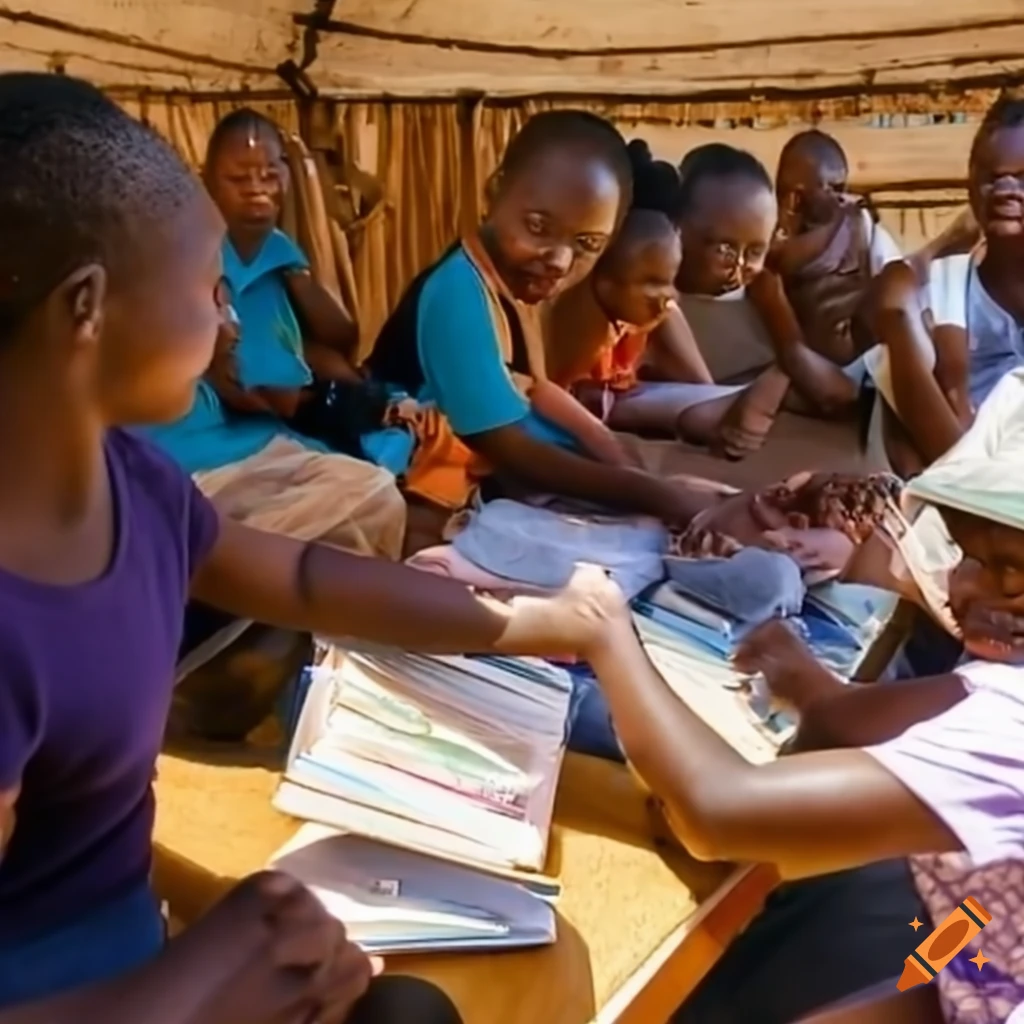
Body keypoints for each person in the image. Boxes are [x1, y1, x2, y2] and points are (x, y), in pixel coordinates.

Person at [0, 72, 627, 1017]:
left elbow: (298, 575)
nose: (231, 321)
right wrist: (195, 981)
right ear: (86, 310)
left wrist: (538, 621)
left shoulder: (132, 484)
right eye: (210, 291)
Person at [577, 398, 1024, 1023]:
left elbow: (719, 809)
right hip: (980, 945)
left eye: (1006, 570)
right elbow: (983, 945)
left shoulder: (1007, 720)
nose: (965, 586)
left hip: (969, 949)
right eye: (968, 558)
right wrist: (934, 978)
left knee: (839, 901)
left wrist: (602, 627)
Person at [366, 110, 714, 526]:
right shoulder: (458, 289)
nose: (560, 260)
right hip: (399, 451)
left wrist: (613, 454)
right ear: (494, 191)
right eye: (537, 226)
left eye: (587, 243)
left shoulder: (514, 284)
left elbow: (537, 387)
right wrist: (653, 494)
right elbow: (503, 444)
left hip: (482, 439)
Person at [639, 142, 883, 486]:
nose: (739, 267)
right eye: (723, 249)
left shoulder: (767, 293)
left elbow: (834, 391)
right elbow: (696, 395)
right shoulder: (655, 305)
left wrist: (775, 309)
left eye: (755, 250)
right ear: (679, 230)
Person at [544, 146, 790, 460]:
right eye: (654, 283)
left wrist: (708, 392)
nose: (668, 295)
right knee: (636, 406)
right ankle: (717, 408)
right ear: (604, 275)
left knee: (684, 401)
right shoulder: (579, 324)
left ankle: (722, 404)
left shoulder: (650, 311)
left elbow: (681, 347)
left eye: (669, 281)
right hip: (595, 405)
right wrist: (608, 445)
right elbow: (553, 394)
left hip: (626, 395)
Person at [868, 95, 1024, 475]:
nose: (1005, 189)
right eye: (991, 177)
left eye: (1022, 178)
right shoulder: (939, 294)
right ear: (970, 185)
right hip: (962, 489)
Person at [772, 129, 903, 368]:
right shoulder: (763, 244)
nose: (843, 198)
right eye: (834, 189)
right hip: (804, 372)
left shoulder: (858, 226)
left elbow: (897, 284)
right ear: (796, 198)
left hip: (867, 365)